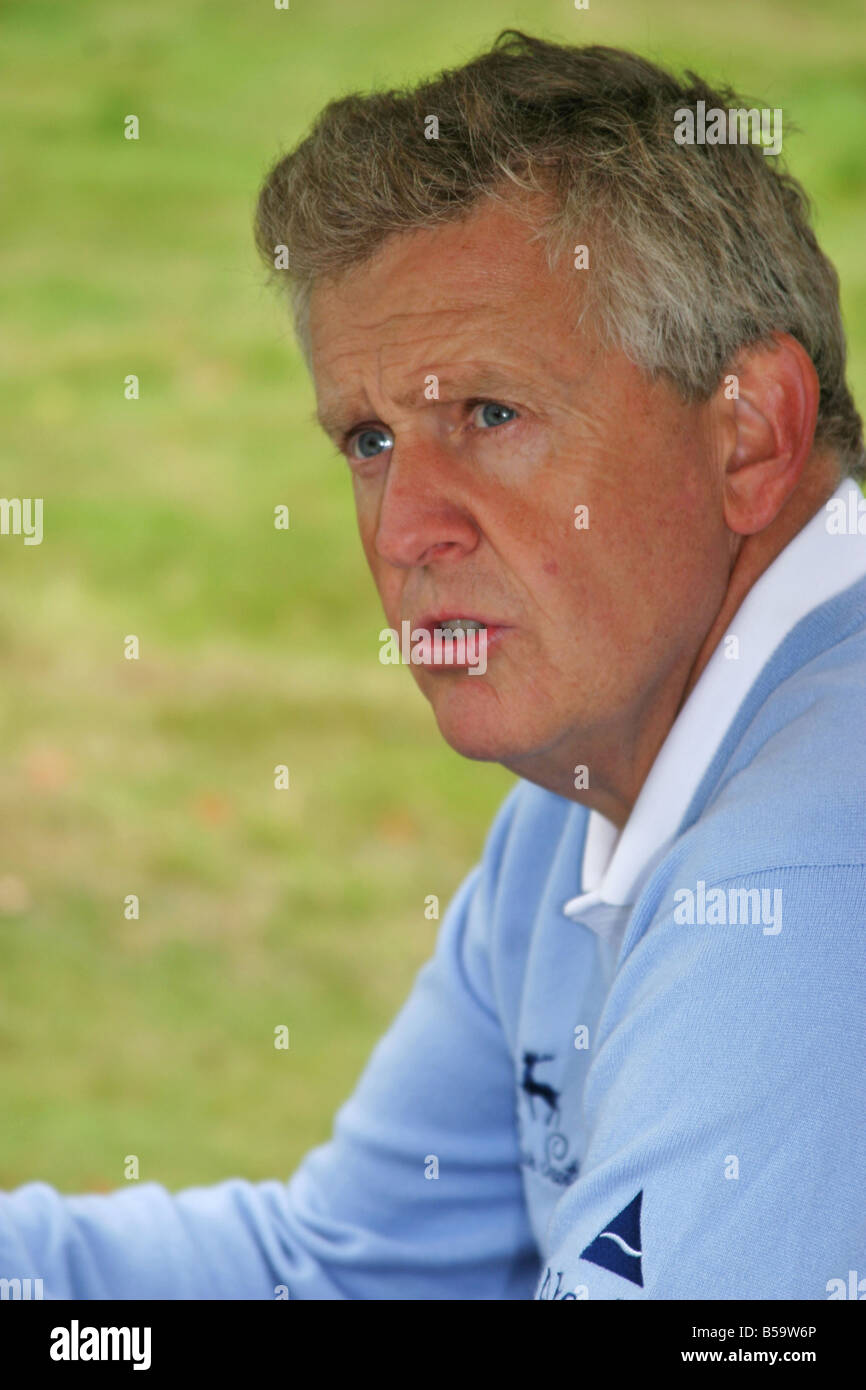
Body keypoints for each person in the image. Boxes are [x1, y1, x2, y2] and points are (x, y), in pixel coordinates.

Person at [3, 31, 865, 1301]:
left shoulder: (808, 889)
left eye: (488, 414)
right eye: (368, 439)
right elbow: (341, 1274)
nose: (404, 528)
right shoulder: (588, 784)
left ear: (748, 434)